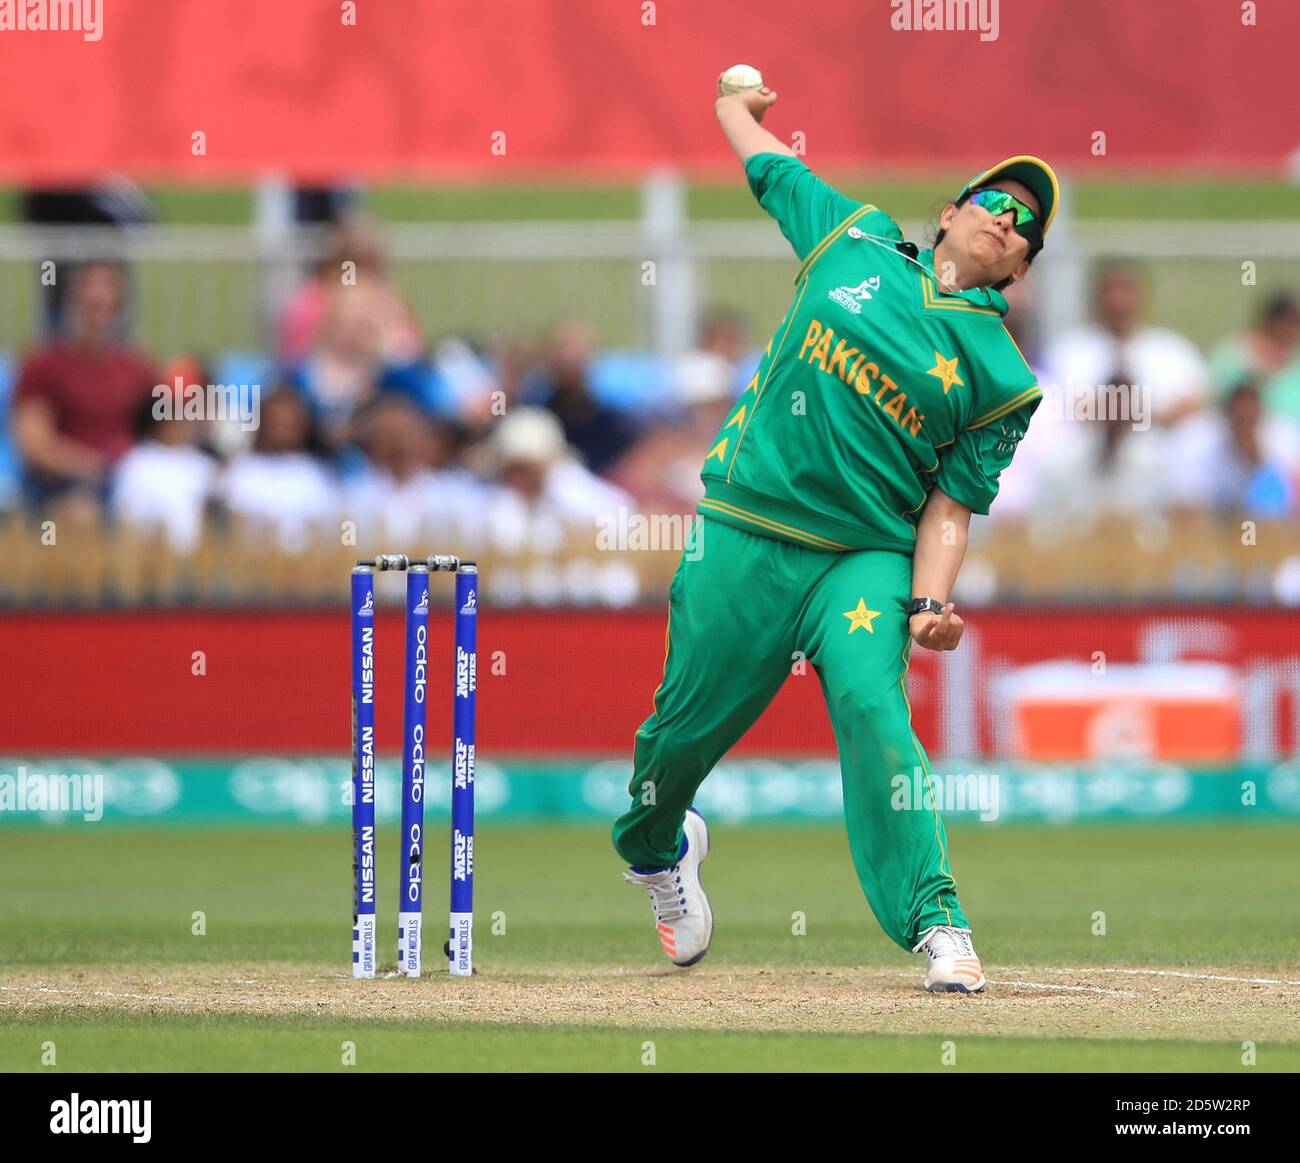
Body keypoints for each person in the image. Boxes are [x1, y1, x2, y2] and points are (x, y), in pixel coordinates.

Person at [612, 74, 1061, 994]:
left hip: (864, 554)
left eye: (1024, 228)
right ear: (948, 214)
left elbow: (950, 504)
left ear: (1019, 272)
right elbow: (766, 165)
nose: (1007, 221)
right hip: (745, 521)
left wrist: (933, 599)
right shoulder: (849, 237)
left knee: (871, 707)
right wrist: (738, 106)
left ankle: (936, 919)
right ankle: (658, 848)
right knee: (677, 739)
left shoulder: (1005, 376)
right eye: (995, 203)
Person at [11, 262, 157, 512]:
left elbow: (163, 433)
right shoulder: (43, 366)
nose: (97, 319)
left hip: (131, 481)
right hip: (66, 484)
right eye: (90, 307)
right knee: (81, 515)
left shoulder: (139, 368)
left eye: (106, 308)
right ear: (69, 306)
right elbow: (35, 443)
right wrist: (96, 467)